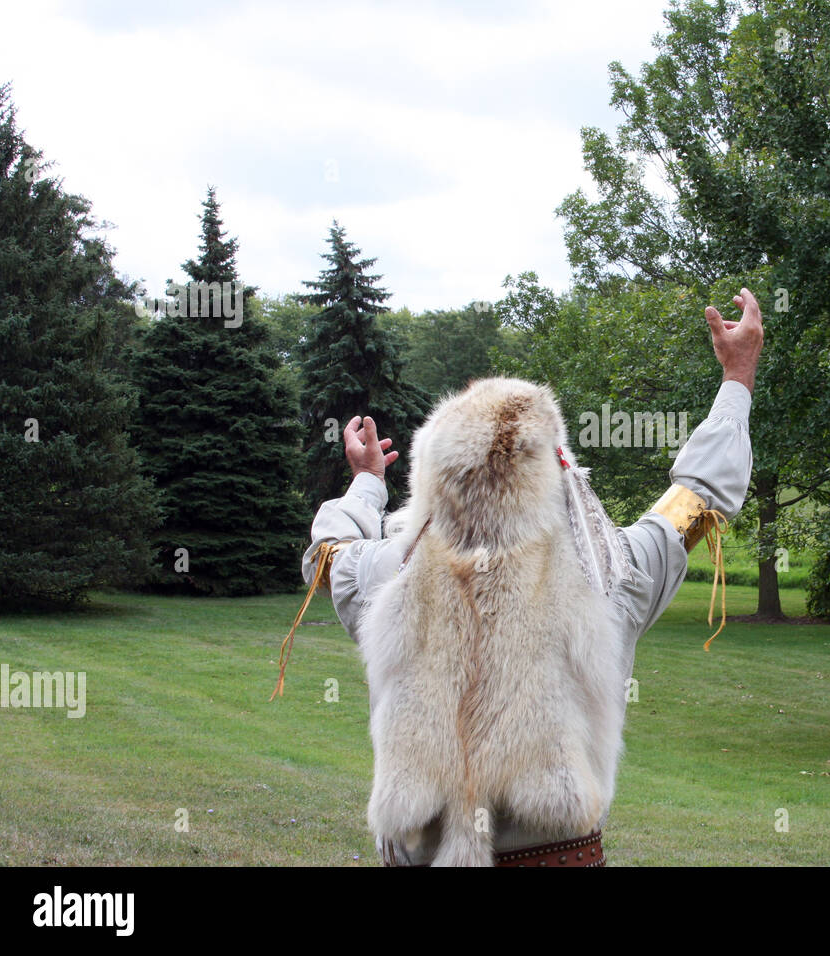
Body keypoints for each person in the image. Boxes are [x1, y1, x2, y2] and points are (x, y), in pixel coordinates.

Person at [300, 288, 763, 866]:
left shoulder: (388, 575)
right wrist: (737, 377)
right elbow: (700, 495)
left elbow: (328, 551)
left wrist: (368, 480)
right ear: (554, 471)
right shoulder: (607, 574)